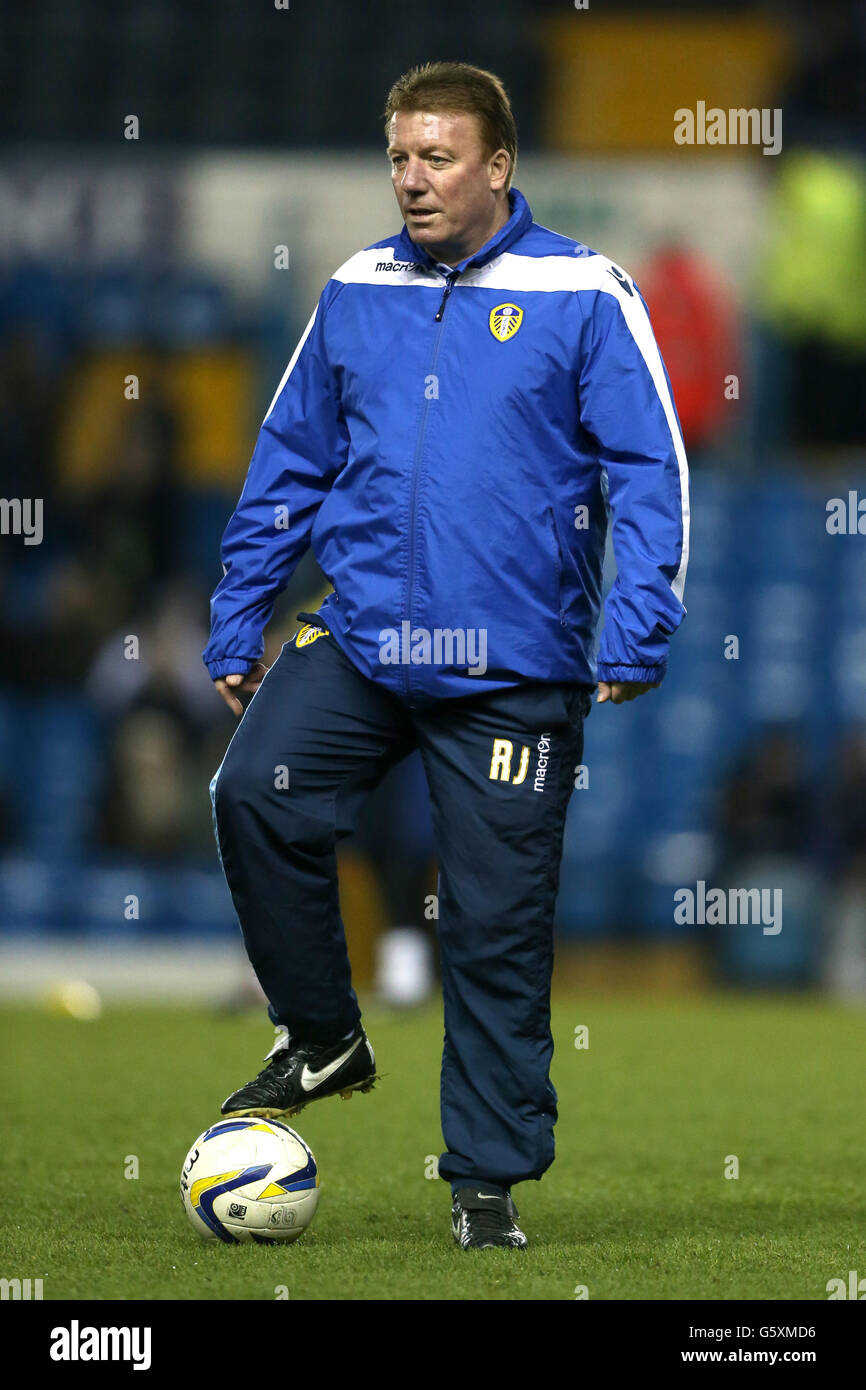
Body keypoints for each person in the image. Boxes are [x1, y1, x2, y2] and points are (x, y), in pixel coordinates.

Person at [204, 62, 689, 1250]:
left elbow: (650, 466)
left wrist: (638, 619)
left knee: (491, 926)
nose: (410, 180)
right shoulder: (355, 287)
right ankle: (321, 1035)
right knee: (255, 792)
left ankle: (484, 1184)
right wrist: (240, 610)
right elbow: (288, 463)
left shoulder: (583, 289)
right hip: (364, 638)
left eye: (436, 157)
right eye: (398, 157)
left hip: (514, 667)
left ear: (497, 166)